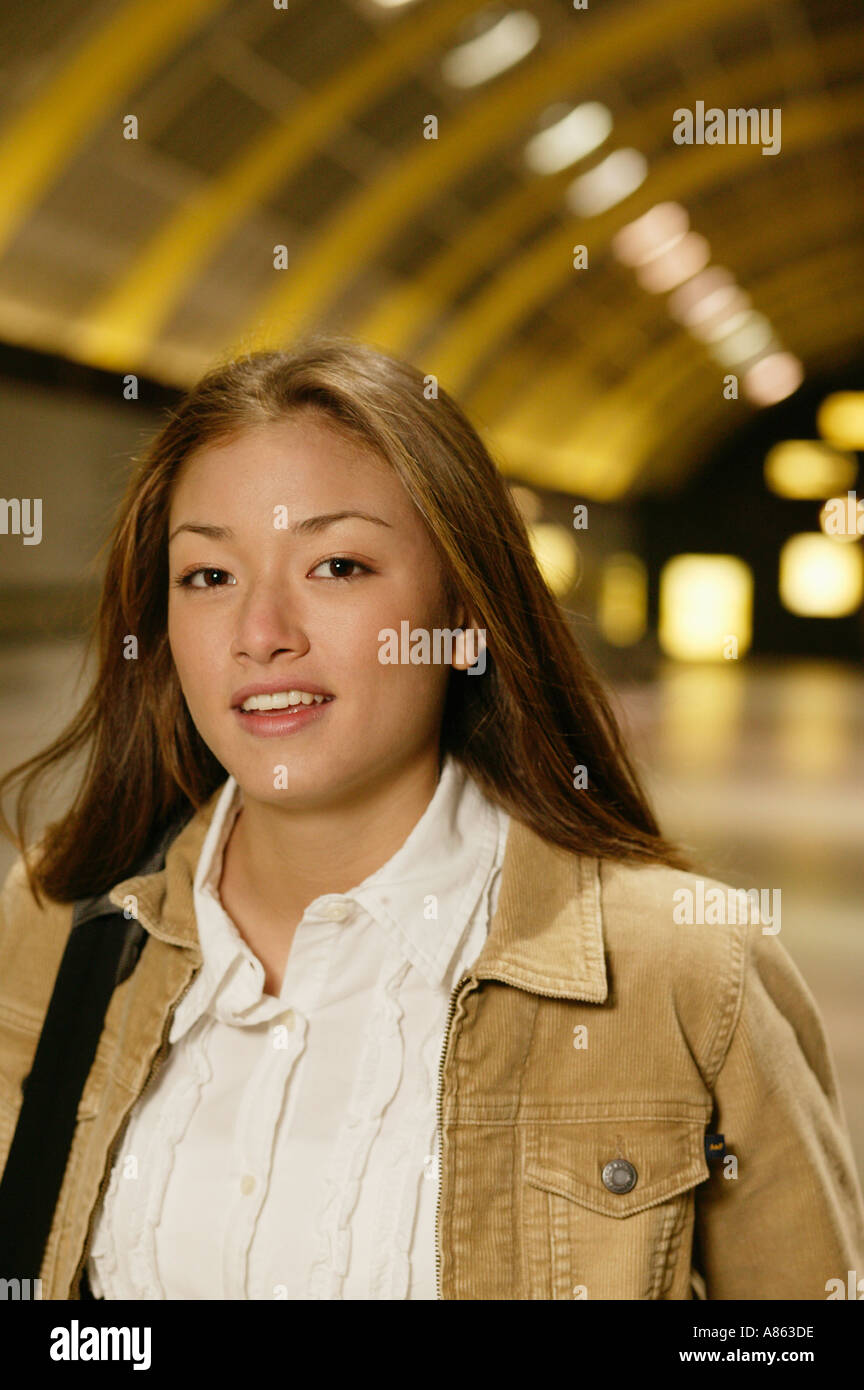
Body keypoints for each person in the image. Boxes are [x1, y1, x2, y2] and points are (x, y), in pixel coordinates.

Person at [0, 335, 861, 1300]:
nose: (262, 634)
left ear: (465, 610)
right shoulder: (56, 926)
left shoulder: (687, 976)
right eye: (209, 576)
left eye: (337, 566)